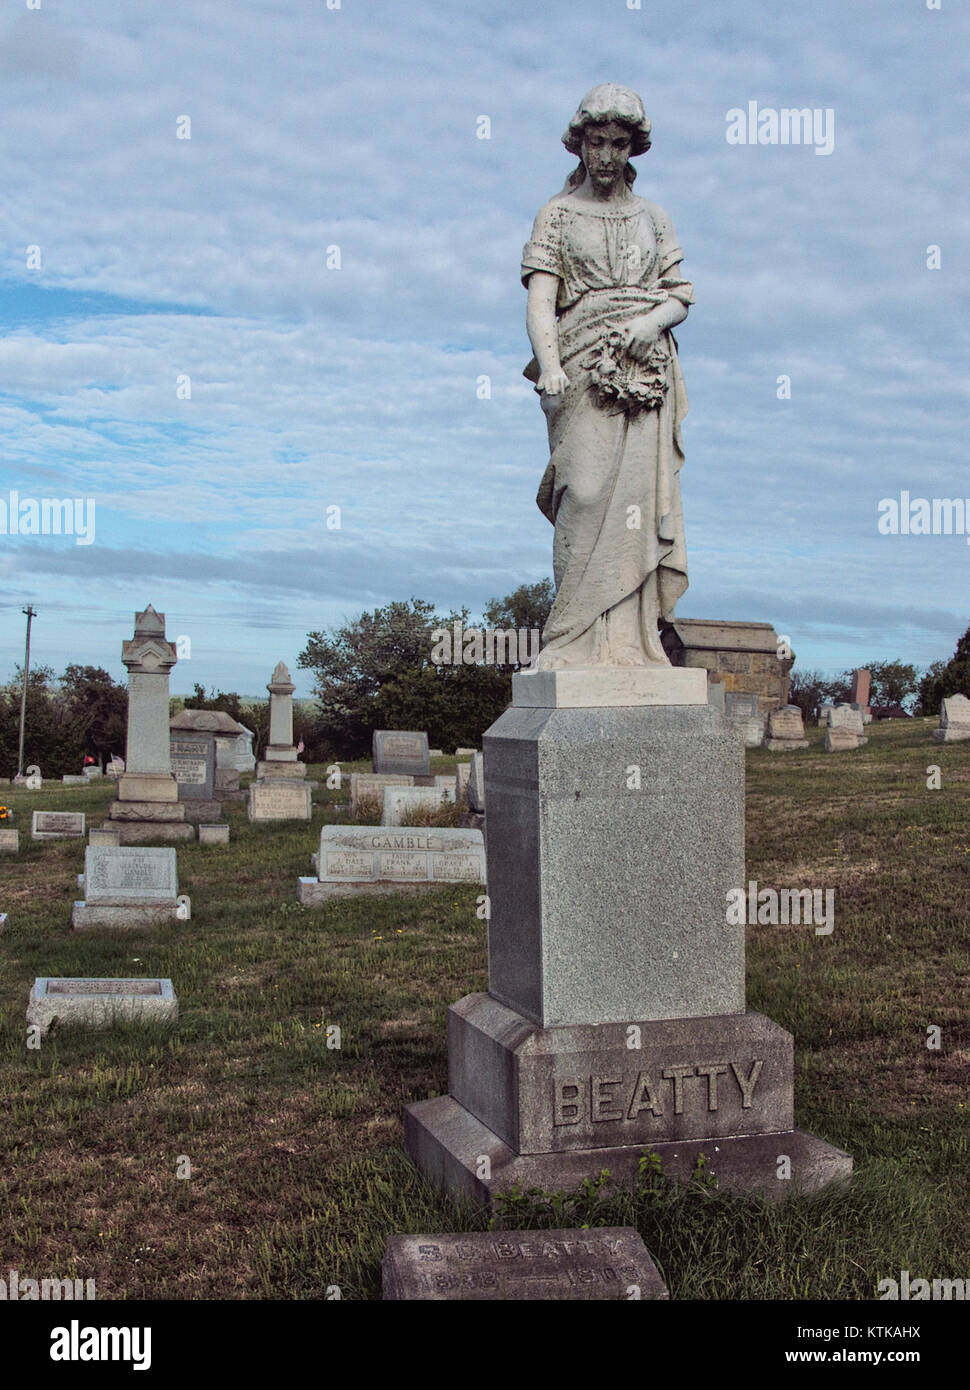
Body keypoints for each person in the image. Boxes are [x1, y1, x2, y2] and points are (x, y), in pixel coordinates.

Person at [522, 84, 694, 669]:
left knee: (640, 509)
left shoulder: (654, 217)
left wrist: (649, 326)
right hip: (579, 367)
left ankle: (632, 646)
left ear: (633, 148)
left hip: (646, 370)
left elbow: (681, 297)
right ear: (580, 143)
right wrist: (549, 368)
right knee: (585, 492)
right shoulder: (558, 213)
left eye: (619, 143)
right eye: (597, 141)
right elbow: (542, 299)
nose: (606, 155)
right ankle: (570, 639)